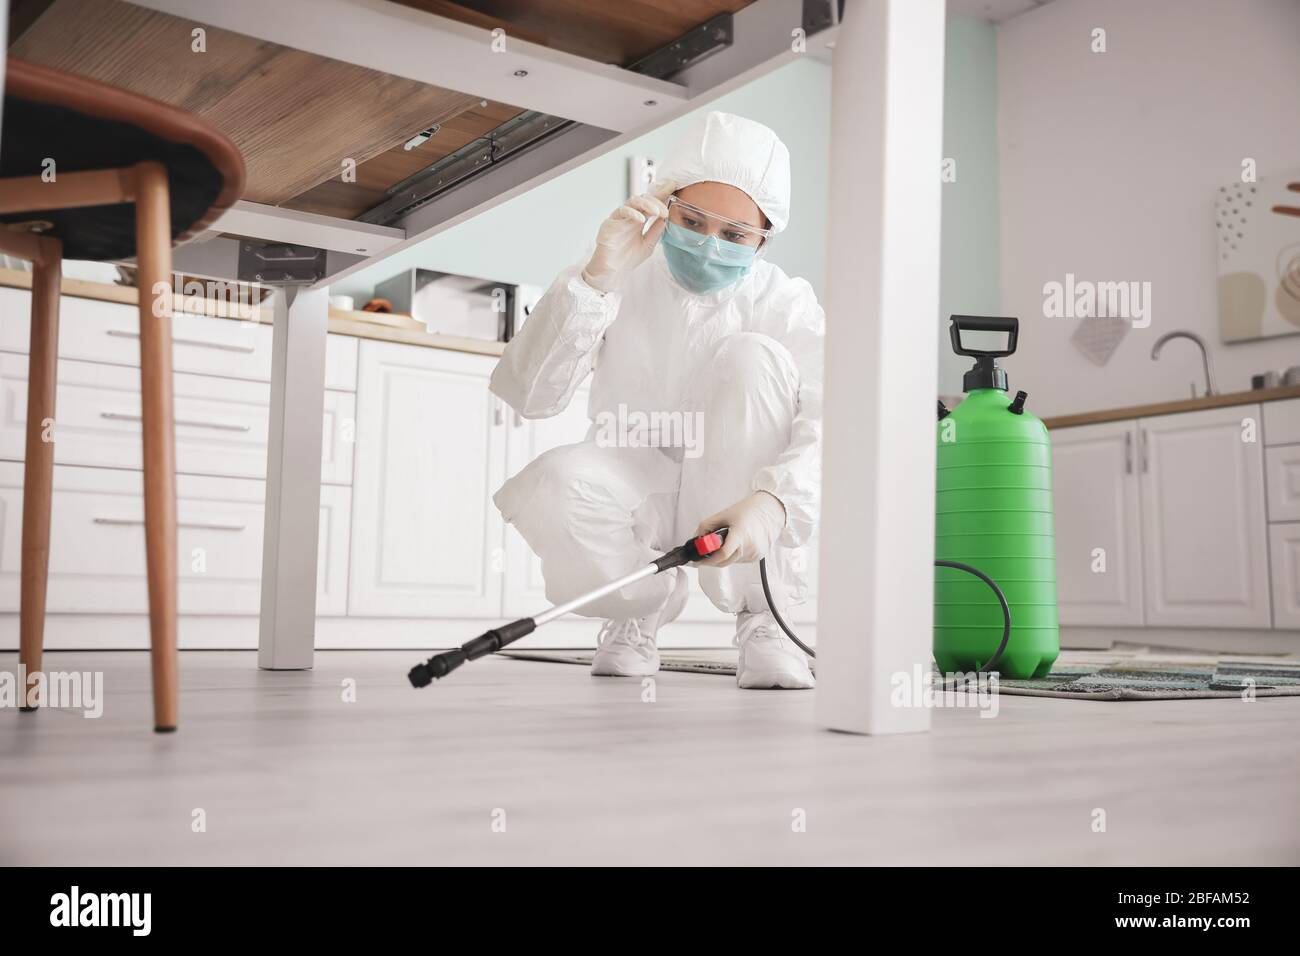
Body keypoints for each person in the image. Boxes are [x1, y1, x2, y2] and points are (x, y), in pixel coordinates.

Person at [489, 111, 824, 689]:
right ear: (663, 204)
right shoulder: (620, 276)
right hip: (633, 470)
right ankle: (637, 609)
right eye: (692, 220)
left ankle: (763, 617)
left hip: (732, 485)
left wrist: (775, 501)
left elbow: (833, 413)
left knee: (752, 356)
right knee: (557, 483)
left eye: (735, 235)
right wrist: (597, 278)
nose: (709, 245)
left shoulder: (784, 302)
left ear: (763, 239)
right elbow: (532, 396)